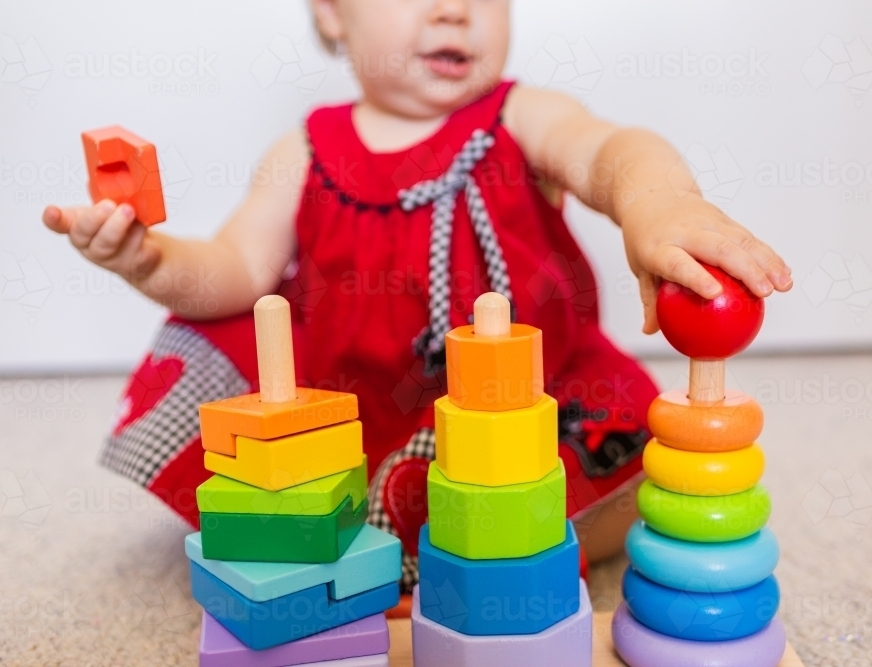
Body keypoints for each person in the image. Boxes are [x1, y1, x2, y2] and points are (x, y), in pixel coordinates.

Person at [42, 0, 792, 590]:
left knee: (640, 479)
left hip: (525, 404)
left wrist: (657, 202)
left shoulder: (519, 115)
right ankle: (369, 528)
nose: (454, 9)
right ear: (332, 10)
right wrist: (146, 259)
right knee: (251, 388)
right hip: (358, 404)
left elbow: (607, 149)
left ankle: (504, 545)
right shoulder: (306, 147)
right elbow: (236, 265)